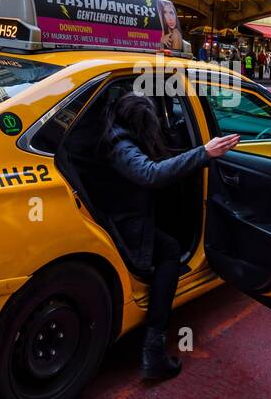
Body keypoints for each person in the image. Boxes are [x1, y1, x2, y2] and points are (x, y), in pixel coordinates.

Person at [102, 94, 240, 379]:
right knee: (170, 250)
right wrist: (204, 152)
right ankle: (153, 349)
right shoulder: (120, 145)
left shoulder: (111, 128)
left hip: (123, 211)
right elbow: (150, 173)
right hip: (123, 222)